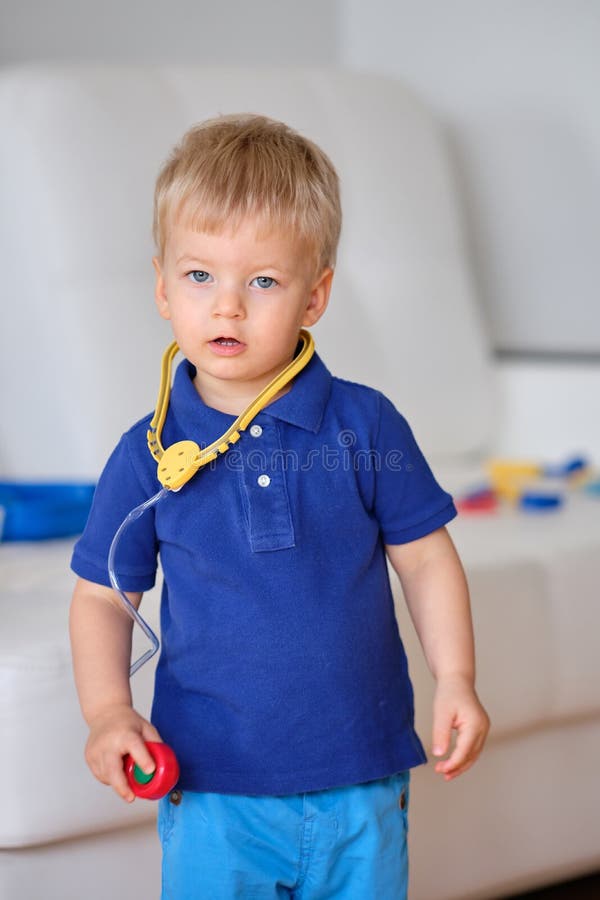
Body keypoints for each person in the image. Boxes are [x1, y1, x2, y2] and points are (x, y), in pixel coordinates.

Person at [69, 113, 489, 899]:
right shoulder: (147, 453)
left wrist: (458, 677)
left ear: (315, 296)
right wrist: (106, 711)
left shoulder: (366, 426)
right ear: (162, 286)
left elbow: (427, 559)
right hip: (213, 790)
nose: (227, 306)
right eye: (201, 277)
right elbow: (102, 597)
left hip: (360, 777)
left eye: (262, 281)